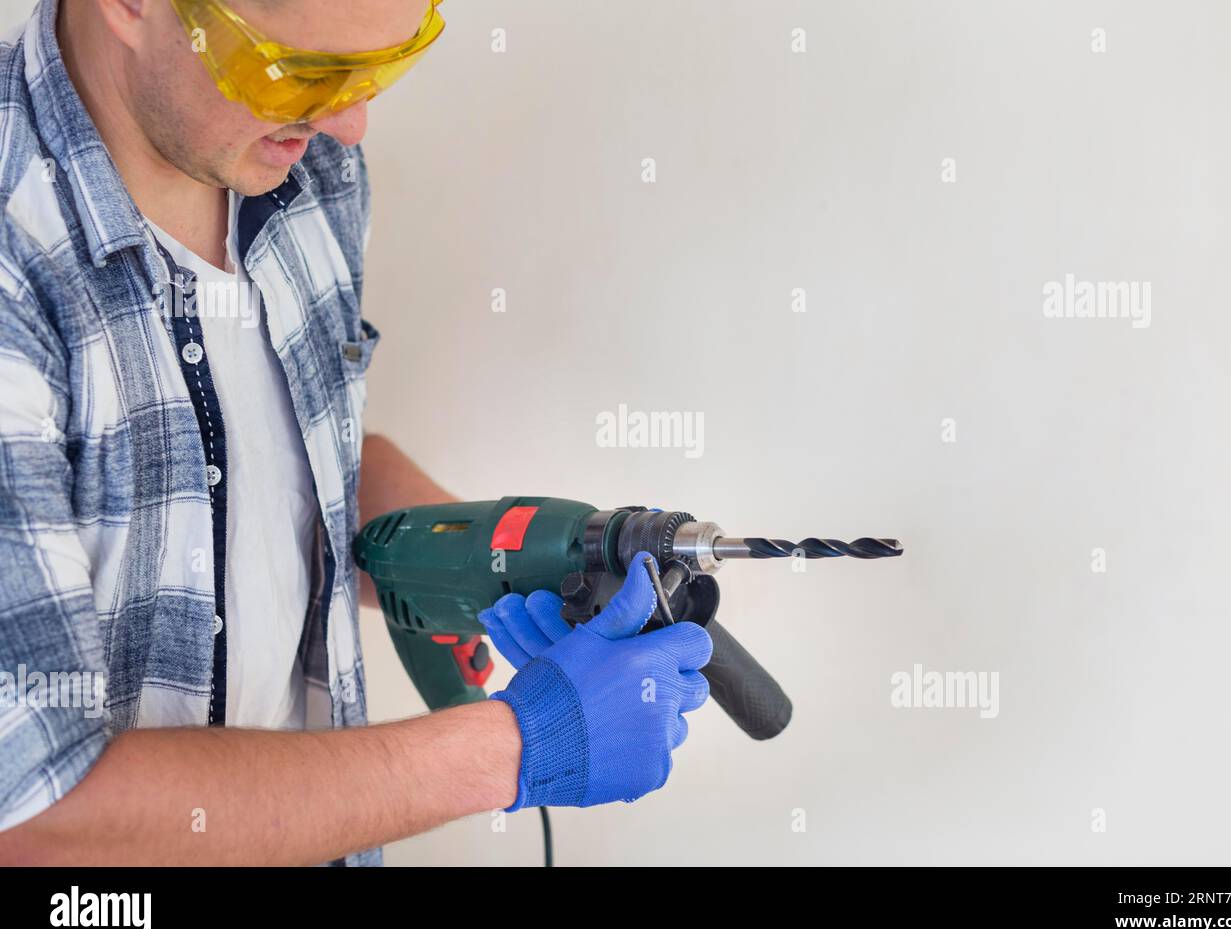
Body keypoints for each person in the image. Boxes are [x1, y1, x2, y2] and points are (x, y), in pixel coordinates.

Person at [0, 0, 710, 865]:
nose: (349, 121)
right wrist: (517, 746)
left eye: (382, 67)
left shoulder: (306, 171)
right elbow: (38, 821)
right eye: (298, 70)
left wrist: (520, 562)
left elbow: (287, 457)